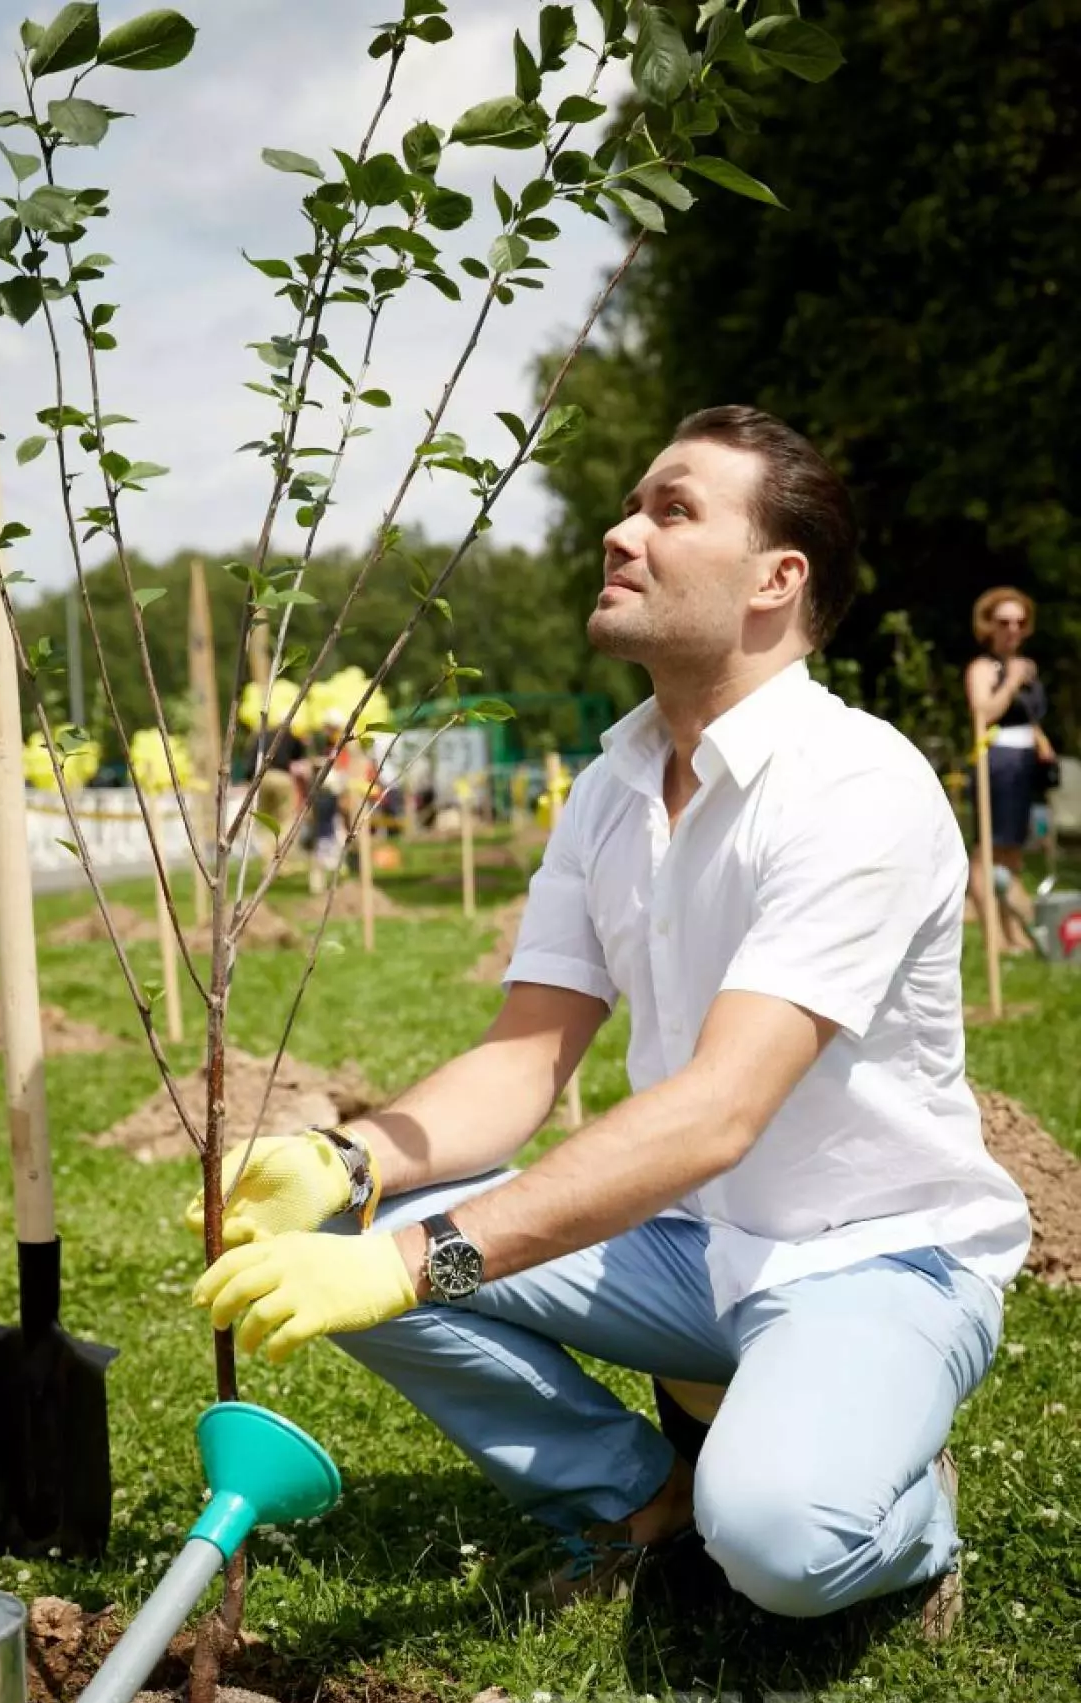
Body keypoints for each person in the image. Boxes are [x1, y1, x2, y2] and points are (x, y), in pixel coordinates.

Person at [187, 406, 1029, 1628]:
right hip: (686, 1241)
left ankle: (909, 1514)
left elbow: (720, 1108)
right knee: (360, 1222)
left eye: (672, 510)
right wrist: (341, 1159)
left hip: (875, 1256)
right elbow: (525, 1059)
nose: (619, 530)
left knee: (786, 1540)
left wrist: (409, 1259)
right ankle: (638, 1499)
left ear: (774, 579)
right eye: (634, 505)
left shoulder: (859, 788)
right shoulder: (613, 786)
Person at [964, 588, 1058, 953]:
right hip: (998, 761)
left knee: (1012, 854)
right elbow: (983, 713)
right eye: (1004, 622)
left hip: (1025, 765)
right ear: (989, 626)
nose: (1012, 629)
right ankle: (994, 938)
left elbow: (1028, 717)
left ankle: (1014, 932)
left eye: (1019, 622)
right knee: (987, 850)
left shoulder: (1028, 667)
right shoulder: (983, 668)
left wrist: (1042, 743)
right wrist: (1012, 681)